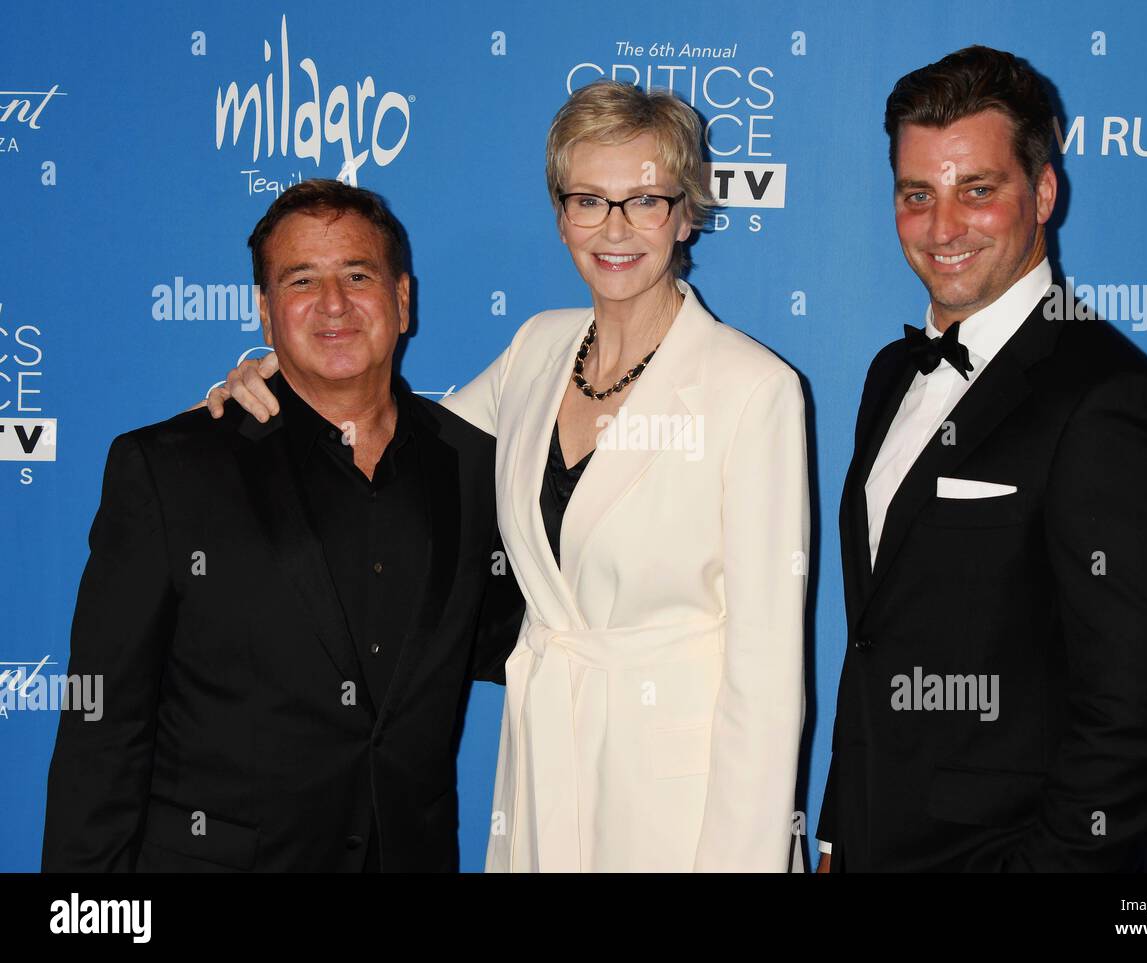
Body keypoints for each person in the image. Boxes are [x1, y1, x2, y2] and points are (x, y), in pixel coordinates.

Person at [209, 80, 810, 872]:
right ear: (561, 216)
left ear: (686, 211)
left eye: (646, 200)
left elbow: (766, 684)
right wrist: (270, 383)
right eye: (589, 199)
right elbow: (388, 436)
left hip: (679, 804)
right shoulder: (538, 349)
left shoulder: (752, 389)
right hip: (542, 776)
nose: (616, 227)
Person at [44, 180, 521, 872]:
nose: (333, 303)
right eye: (302, 280)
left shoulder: (475, 467)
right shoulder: (169, 469)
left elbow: (532, 635)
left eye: (358, 275)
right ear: (266, 315)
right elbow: (101, 727)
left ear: (403, 299)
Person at [816, 46, 1147, 872]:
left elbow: (1141, 716)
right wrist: (835, 833)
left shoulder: (1111, 401)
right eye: (917, 194)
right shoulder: (893, 374)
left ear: (1045, 193)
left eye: (977, 190)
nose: (942, 227)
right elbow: (877, 643)